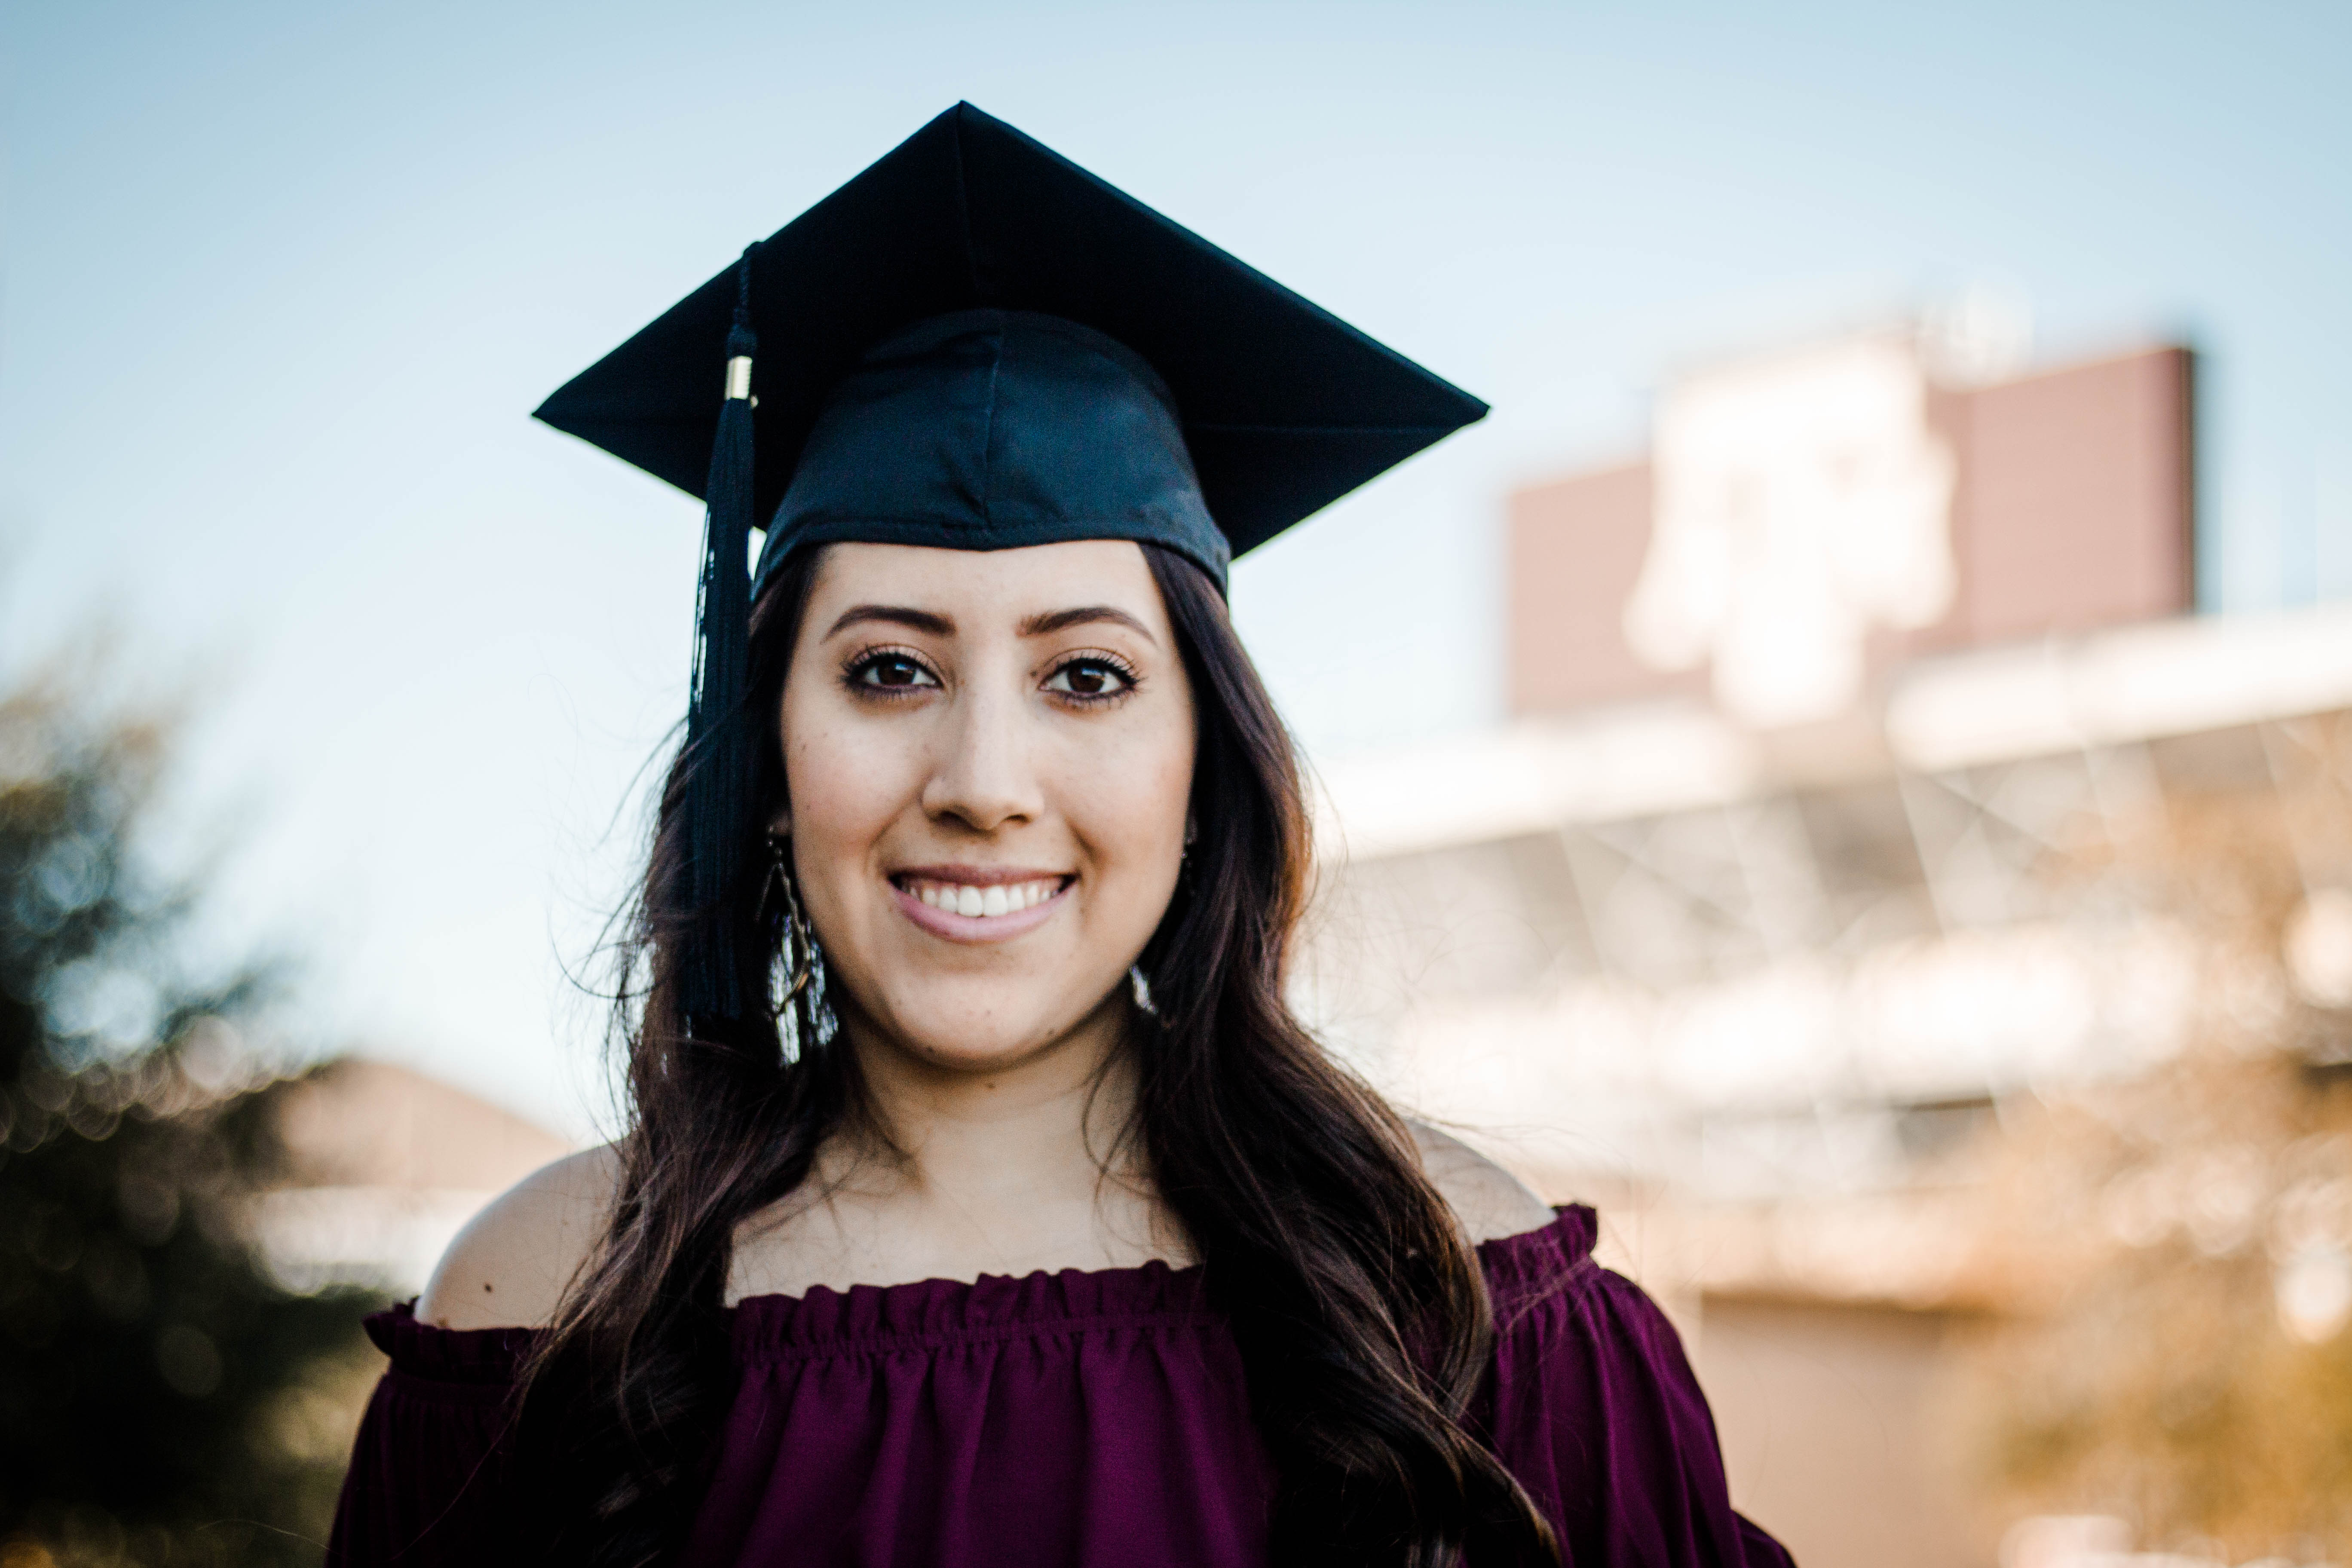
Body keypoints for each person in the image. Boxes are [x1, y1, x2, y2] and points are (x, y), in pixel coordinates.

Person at [328, 104, 1794, 1568]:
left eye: (1086, 676)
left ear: (1204, 761)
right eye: (889, 671)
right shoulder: (542, 1316)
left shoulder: (1463, 1304)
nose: (983, 780)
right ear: (764, 752)